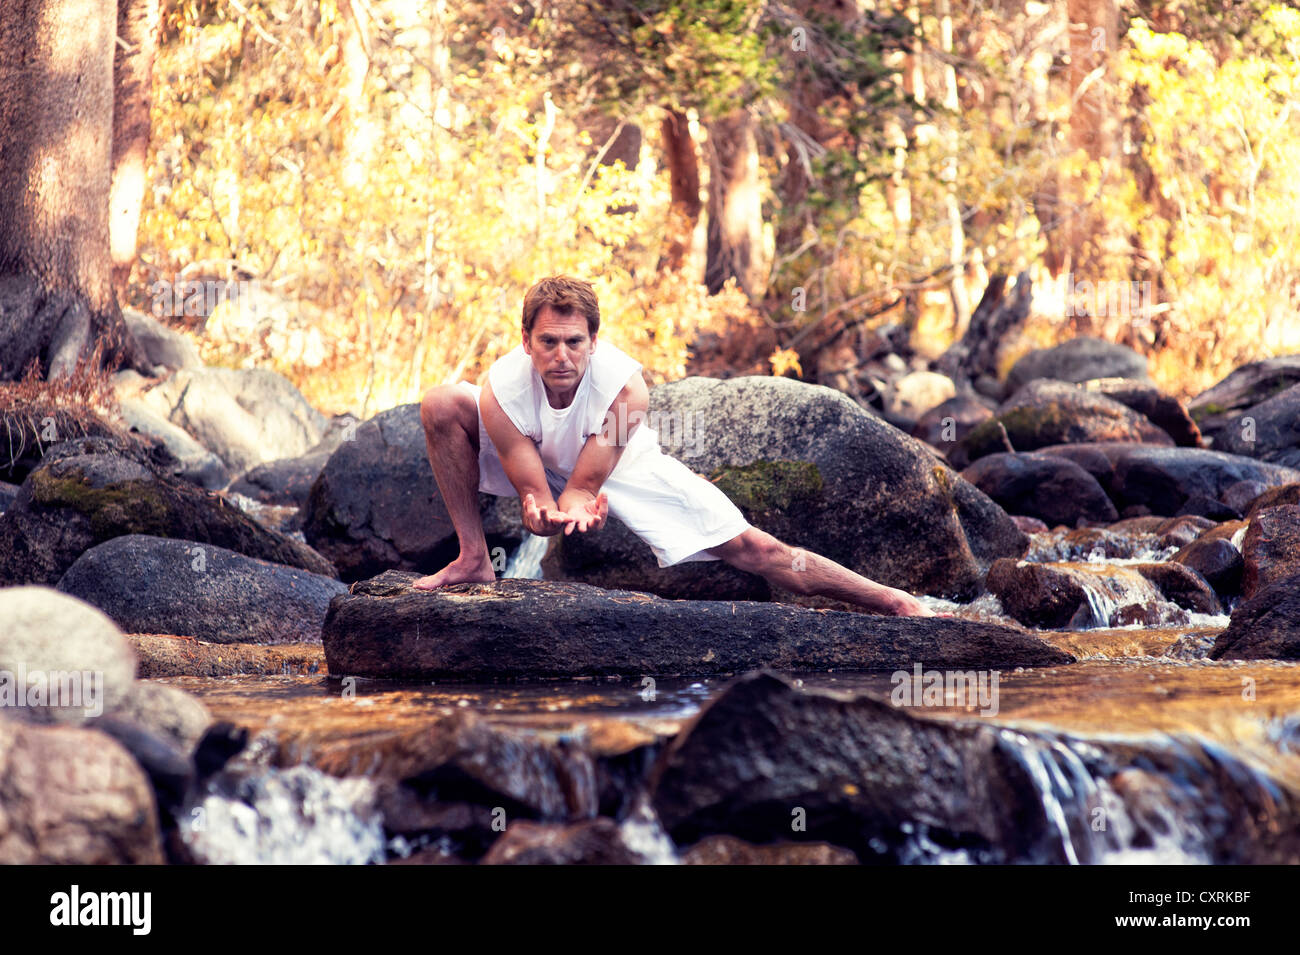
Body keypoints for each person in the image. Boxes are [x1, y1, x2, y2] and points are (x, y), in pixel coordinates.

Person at [412, 275, 934, 617]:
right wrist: (540, 516)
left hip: (616, 469)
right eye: (548, 342)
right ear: (526, 342)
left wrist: (574, 508)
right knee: (441, 403)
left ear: (594, 342)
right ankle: (474, 558)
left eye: (575, 342)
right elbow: (537, 500)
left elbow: (580, 489)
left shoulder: (625, 390)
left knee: (756, 549)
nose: (562, 355)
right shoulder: (501, 389)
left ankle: (895, 602)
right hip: (533, 455)